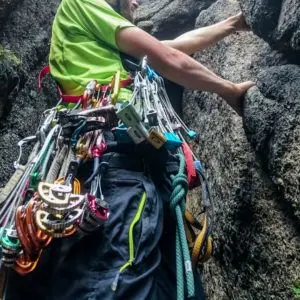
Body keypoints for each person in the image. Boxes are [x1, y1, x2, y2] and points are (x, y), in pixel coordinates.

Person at [5, 1, 254, 300]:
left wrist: (231, 24)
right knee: (118, 279)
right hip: (109, 159)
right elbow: (168, 57)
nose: (136, 2)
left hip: (138, 165)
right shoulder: (81, 3)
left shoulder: (106, 46)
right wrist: (230, 90)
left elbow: (175, 46)